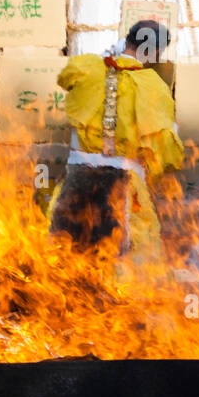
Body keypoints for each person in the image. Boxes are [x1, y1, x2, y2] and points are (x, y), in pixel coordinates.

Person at [49, 19, 184, 258]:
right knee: (121, 269)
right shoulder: (153, 86)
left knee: (65, 260)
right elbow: (167, 153)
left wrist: (110, 54)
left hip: (77, 179)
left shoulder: (88, 67)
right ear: (153, 51)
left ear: (127, 39)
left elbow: (65, 77)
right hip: (123, 187)